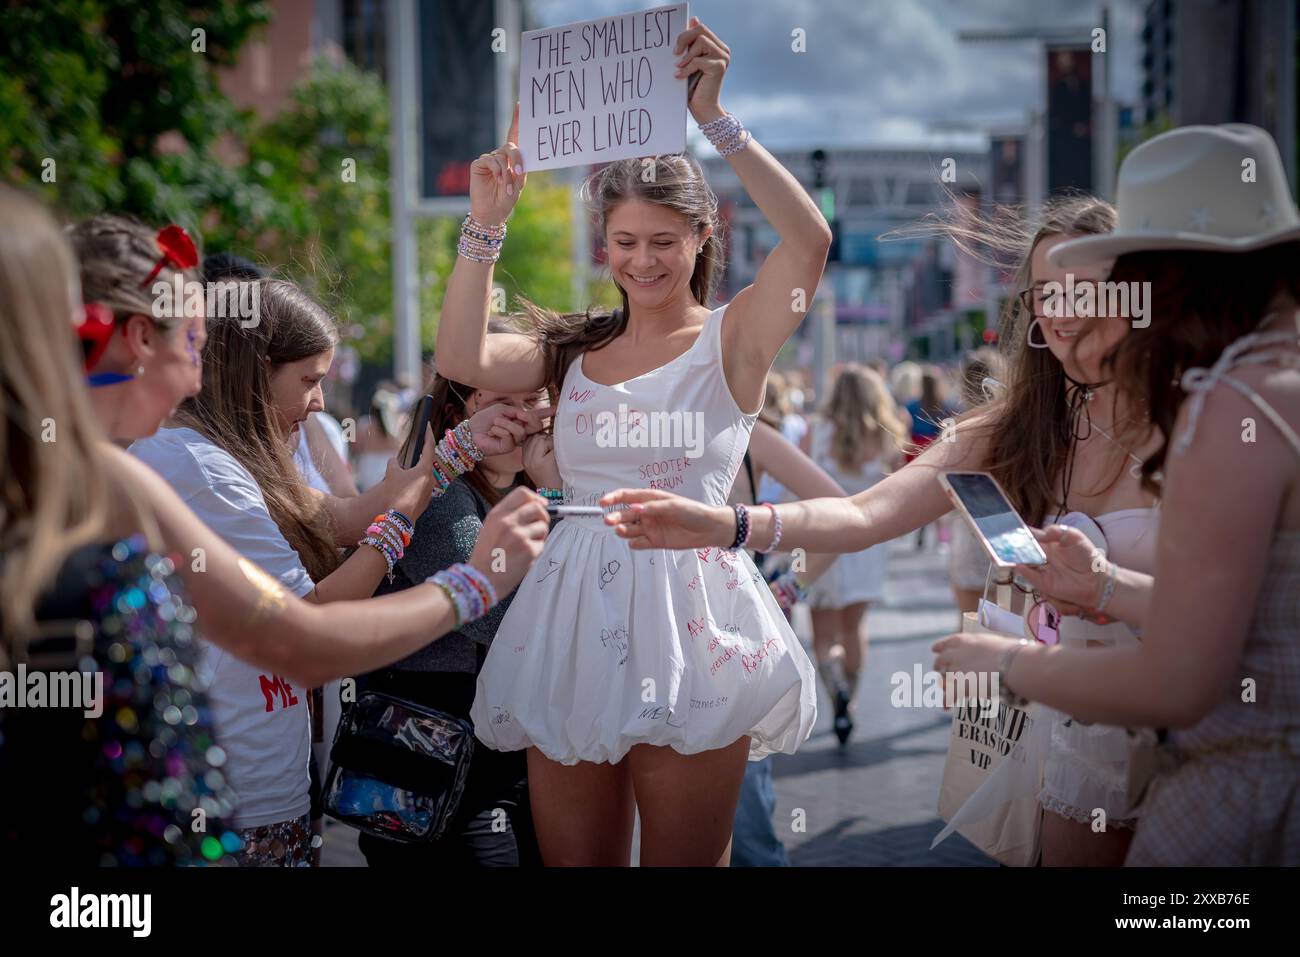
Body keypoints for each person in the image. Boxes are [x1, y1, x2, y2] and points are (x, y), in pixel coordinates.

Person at [603, 192, 1165, 866]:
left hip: (1205, 729)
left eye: (1084, 290)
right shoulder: (1016, 424)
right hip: (1087, 738)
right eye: (1046, 291)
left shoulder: (1196, 415)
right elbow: (864, 514)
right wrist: (726, 524)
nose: (1062, 311)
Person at [0, 186, 551, 866]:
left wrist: (456, 451)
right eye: (196, 344)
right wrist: (473, 582)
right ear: (141, 339)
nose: (199, 377)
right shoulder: (161, 467)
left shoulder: (119, 473)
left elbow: (344, 519)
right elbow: (303, 639)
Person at [435, 16, 830, 865]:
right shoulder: (573, 344)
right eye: (624, 243)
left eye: (663, 241)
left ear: (701, 237)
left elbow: (810, 242)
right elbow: (460, 355)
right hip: (572, 610)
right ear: (602, 245)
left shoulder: (736, 338)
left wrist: (718, 121)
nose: (643, 261)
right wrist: (486, 224)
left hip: (695, 614)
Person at [932, 123, 1300, 865]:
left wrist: (1004, 664)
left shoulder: (1232, 404)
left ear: (1170, 278)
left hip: (1243, 800)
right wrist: (1106, 586)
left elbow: (1178, 681)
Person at [357, 328, 550, 867]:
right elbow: (497, 619)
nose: (519, 416)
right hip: (430, 752)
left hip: (505, 754)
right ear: (459, 406)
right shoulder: (440, 497)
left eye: (532, 399)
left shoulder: (526, 487)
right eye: (498, 401)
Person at [726, 419, 844, 865]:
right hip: (628, 647)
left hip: (731, 650)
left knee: (747, 828)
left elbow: (840, 514)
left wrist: (791, 587)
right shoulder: (615, 422)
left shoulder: (746, 433)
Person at [803, 365, 908, 745]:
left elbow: (798, 484)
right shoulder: (887, 433)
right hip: (868, 542)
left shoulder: (818, 431)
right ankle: (853, 695)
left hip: (824, 541)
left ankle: (837, 697)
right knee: (854, 628)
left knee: (823, 633)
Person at [948, 348, 1004, 619]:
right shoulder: (1018, 426)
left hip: (969, 531)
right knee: (1006, 622)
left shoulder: (961, 429)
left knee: (969, 620)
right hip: (1008, 533)